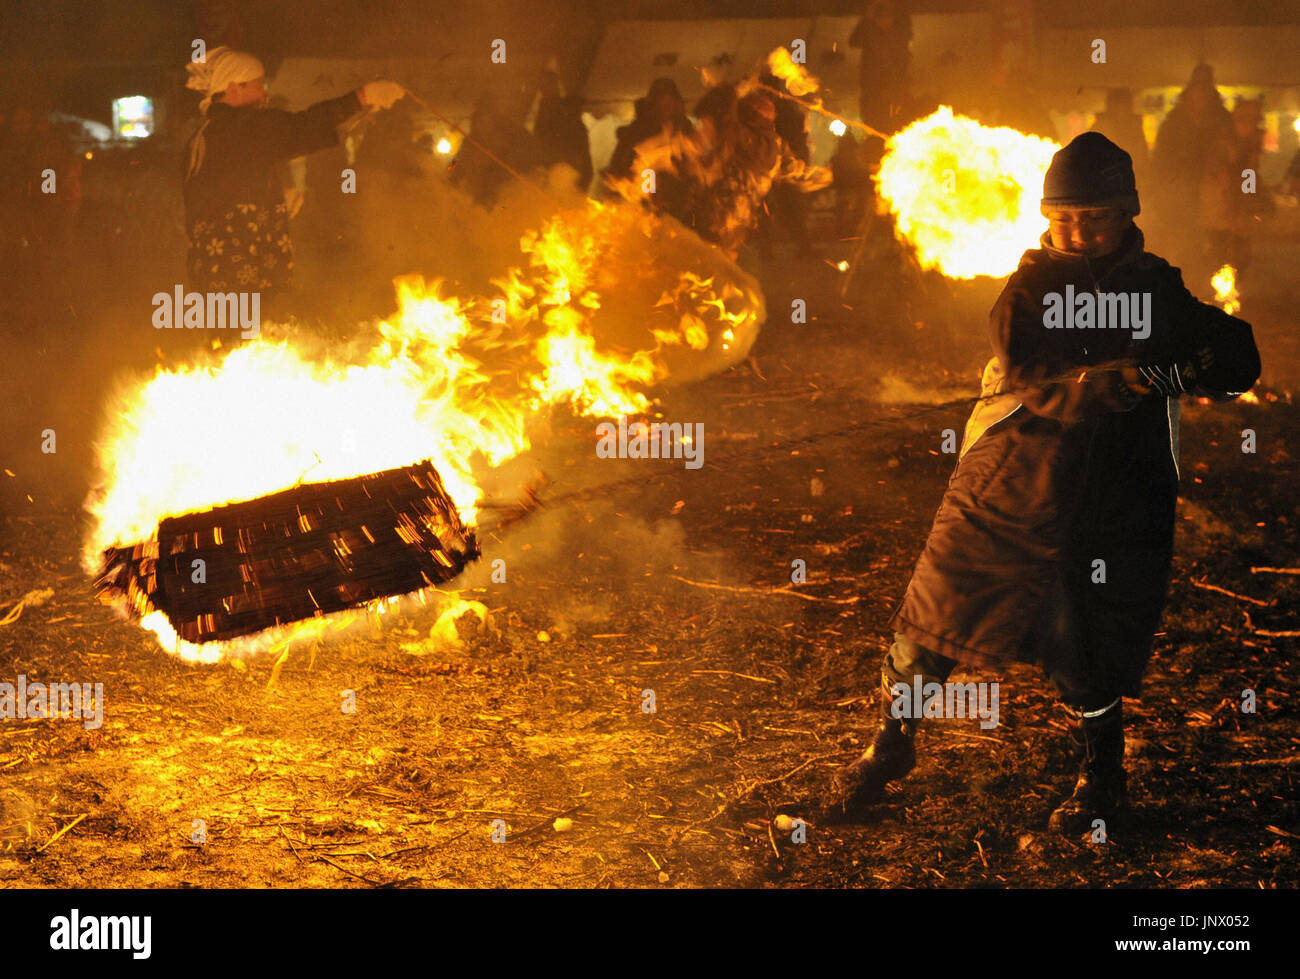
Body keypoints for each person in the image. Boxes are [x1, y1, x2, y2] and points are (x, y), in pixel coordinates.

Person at [829, 132, 1260, 836]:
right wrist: (1105, 383)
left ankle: (1102, 779)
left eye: (1093, 217)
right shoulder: (1032, 287)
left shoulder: (1156, 287)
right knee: (942, 603)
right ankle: (890, 744)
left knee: (1088, 628)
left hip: (1112, 489)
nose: (1078, 232)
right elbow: (1028, 370)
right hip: (1011, 472)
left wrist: (1198, 366)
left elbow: (1238, 353)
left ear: (1126, 213)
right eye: (1064, 219)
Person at [182, 46, 405, 296]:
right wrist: (361, 97)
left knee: (235, 332)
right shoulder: (241, 125)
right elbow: (301, 128)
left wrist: (269, 196)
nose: (265, 94)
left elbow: (221, 188)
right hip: (239, 268)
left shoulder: (207, 133)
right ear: (235, 88)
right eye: (258, 85)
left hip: (211, 268)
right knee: (252, 331)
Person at [533, 69, 593, 195]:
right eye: (544, 85)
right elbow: (542, 140)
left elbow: (576, 136)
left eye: (550, 84)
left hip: (571, 163)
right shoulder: (546, 110)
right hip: (560, 165)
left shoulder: (561, 108)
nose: (547, 88)